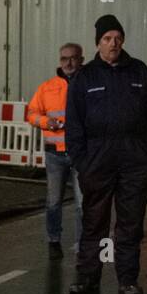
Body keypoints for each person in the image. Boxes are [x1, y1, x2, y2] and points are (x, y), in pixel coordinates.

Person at [65, 15, 147, 294]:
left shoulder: (139, 72)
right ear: (97, 43)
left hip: (134, 162)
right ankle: (86, 278)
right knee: (94, 223)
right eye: (107, 39)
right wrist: (82, 161)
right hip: (97, 163)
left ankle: (127, 280)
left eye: (117, 38)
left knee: (130, 224)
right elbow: (74, 123)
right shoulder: (85, 77)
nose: (113, 43)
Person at [27, 43, 84, 260]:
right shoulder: (47, 87)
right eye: (64, 59)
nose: (68, 63)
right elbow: (32, 113)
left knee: (82, 204)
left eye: (73, 58)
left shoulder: (86, 84)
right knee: (53, 202)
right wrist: (45, 121)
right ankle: (53, 240)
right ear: (59, 61)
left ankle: (82, 245)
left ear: (81, 60)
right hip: (54, 154)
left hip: (79, 153)